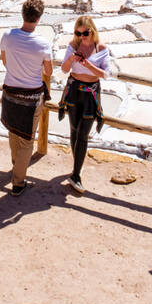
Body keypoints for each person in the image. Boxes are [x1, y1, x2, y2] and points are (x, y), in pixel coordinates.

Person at [0, 0, 54, 195]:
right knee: (27, 140)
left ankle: (16, 168)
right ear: (39, 18)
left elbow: (5, 61)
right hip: (30, 99)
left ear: (23, 14)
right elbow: (48, 71)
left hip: (10, 93)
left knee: (13, 133)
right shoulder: (42, 44)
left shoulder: (8, 36)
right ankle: (18, 182)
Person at [59, 15, 111, 195]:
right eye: (78, 33)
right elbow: (64, 69)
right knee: (74, 130)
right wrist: (72, 59)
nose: (82, 36)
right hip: (74, 91)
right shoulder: (73, 46)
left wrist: (88, 65)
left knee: (83, 134)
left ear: (93, 31)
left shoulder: (101, 48)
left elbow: (105, 74)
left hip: (90, 94)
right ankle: (77, 167)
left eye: (85, 33)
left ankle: (76, 174)